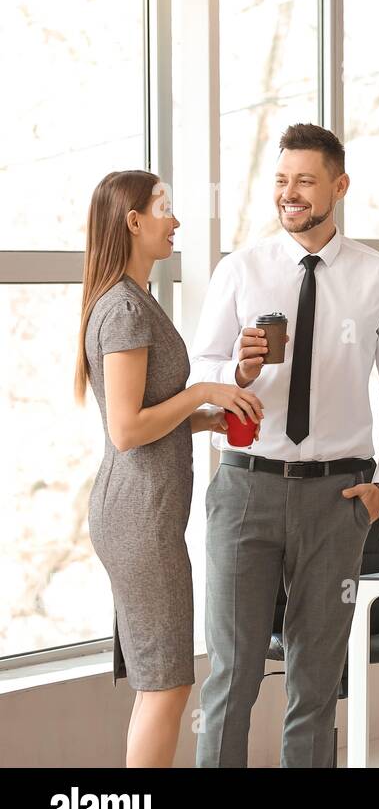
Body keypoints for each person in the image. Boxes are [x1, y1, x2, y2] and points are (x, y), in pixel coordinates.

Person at [189, 124, 379, 767]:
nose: (289, 194)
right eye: (281, 181)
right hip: (246, 487)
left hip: (337, 495)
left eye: (305, 181)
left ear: (339, 187)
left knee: (315, 682)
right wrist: (237, 371)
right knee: (231, 676)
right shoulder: (241, 270)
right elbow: (200, 377)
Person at [76, 170, 263, 767]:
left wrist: (202, 419)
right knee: (166, 682)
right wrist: (205, 388)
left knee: (161, 679)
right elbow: (127, 429)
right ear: (133, 221)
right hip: (139, 519)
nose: (176, 221)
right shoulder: (126, 309)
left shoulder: (134, 301)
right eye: (165, 209)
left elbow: (145, 416)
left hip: (142, 514)